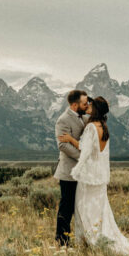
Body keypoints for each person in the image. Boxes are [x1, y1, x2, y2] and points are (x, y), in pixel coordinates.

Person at [58, 96, 129, 256]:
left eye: (90, 104)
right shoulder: (103, 126)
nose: (87, 105)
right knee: (100, 209)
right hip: (100, 176)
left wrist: (70, 143)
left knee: (82, 208)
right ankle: (100, 236)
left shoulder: (90, 127)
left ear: (95, 109)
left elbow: (85, 150)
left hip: (88, 177)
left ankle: (88, 241)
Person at [53, 89, 89, 246]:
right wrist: (83, 157)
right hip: (68, 171)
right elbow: (62, 145)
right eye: (84, 103)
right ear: (75, 105)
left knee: (81, 205)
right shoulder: (63, 120)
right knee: (66, 207)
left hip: (82, 172)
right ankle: (62, 240)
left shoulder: (84, 117)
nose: (87, 105)